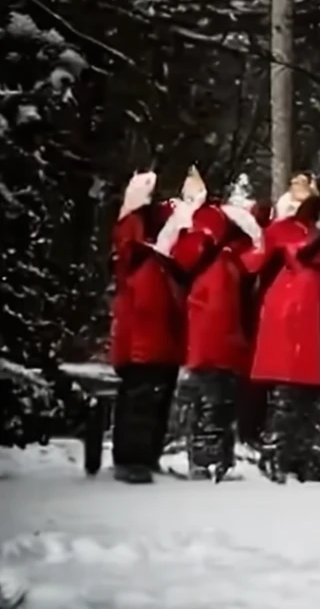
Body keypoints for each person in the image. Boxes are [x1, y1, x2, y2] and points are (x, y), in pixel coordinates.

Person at [246, 172, 320, 483]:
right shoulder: (286, 231)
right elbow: (257, 261)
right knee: (292, 388)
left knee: (307, 390)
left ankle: (298, 456)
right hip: (295, 311)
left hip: (313, 310)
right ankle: (282, 455)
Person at [155, 168, 262, 481]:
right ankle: (211, 461)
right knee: (215, 403)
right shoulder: (224, 257)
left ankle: (208, 460)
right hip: (218, 339)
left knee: (210, 403)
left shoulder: (210, 255)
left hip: (209, 338)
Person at [108, 170, 183, 483]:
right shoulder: (137, 248)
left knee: (154, 398)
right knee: (140, 398)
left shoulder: (157, 256)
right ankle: (131, 459)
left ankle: (145, 456)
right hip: (144, 338)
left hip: (158, 336)